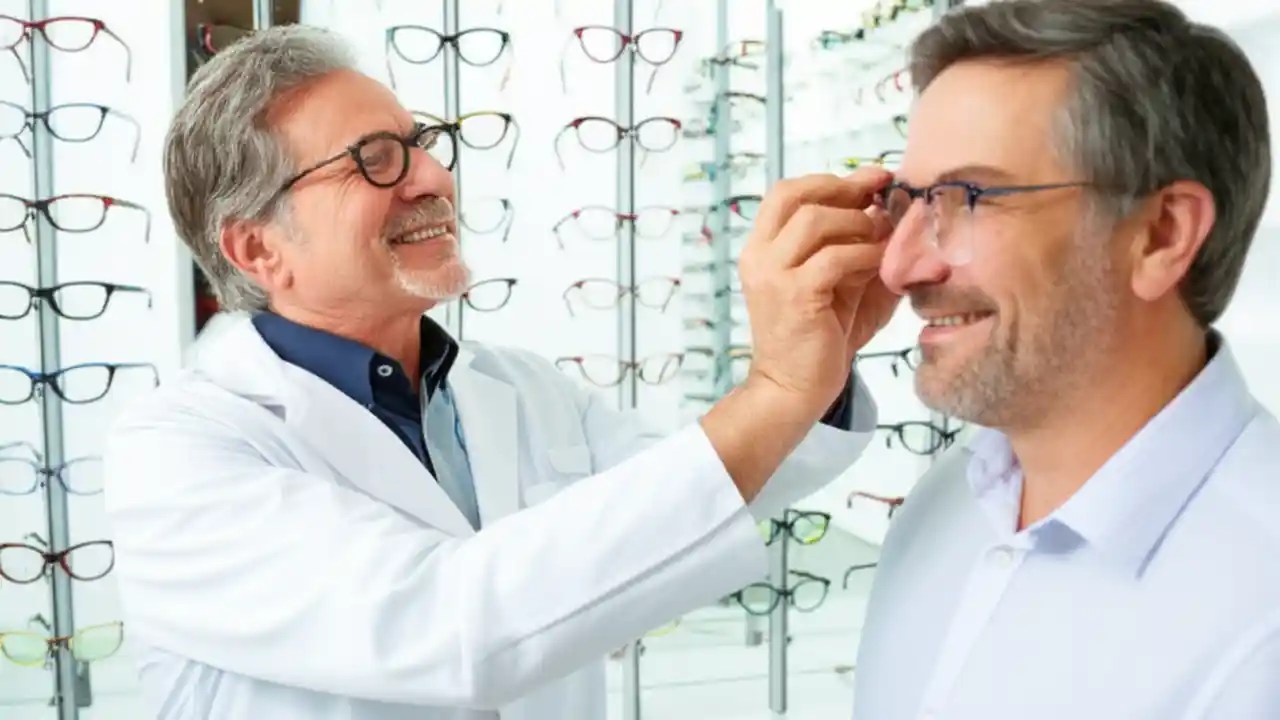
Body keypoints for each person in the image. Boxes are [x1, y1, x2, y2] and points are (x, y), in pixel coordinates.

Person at [101, 25, 900, 720]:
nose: (433, 179)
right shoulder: (179, 454)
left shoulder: (519, 389)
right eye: (375, 162)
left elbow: (693, 494)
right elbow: (453, 626)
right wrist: (775, 392)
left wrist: (815, 364)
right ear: (257, 248)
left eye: (421, 144)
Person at [852, 1, 1278, 718]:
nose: (899, 268)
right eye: (906, 201)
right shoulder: (943, 507)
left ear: (1162, 235)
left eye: (968, 198)